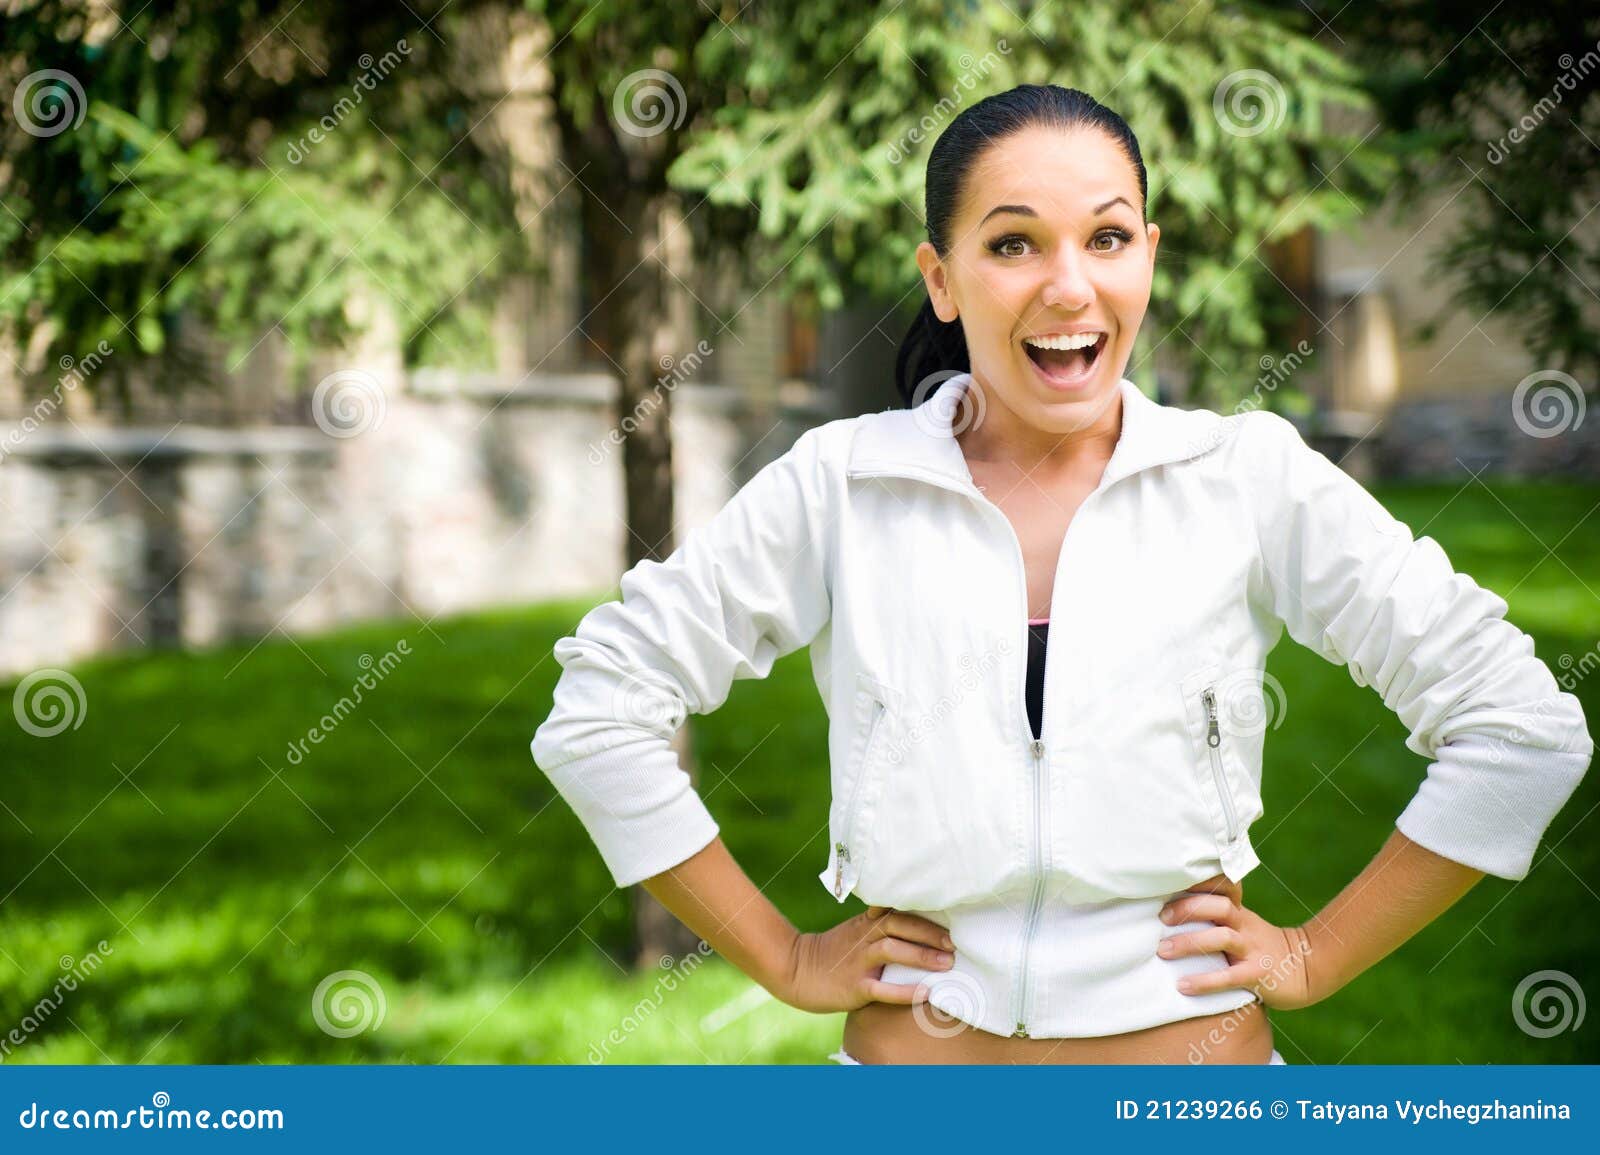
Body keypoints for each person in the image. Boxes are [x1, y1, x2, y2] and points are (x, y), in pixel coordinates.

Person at [531, 84, 1593, 1065]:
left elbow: (1518, 730)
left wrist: (1313, 955)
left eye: (1107, 236)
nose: (1069, 285)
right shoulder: (841, 486)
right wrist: (782, 955)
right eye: (1012, 244)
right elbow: (598, 715)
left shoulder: (1245, 478)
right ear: (940, 280)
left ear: (1147, 258)